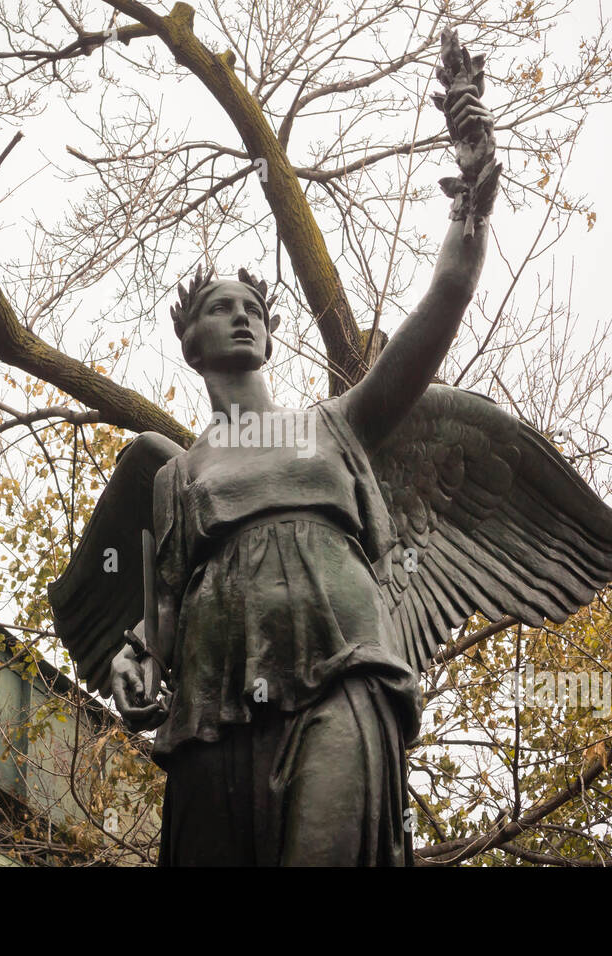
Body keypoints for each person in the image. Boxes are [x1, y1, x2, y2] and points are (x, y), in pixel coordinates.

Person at [108, 82, 497, 866]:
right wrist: (138, 652)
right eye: (222, 307)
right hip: (214, 698)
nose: (243, 314)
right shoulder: (177, 475)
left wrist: (472, 197)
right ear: (190, 340)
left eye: (252, 306)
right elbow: (170, 603)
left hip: (344, 663)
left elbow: (447, 297)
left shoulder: (336, 424)